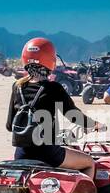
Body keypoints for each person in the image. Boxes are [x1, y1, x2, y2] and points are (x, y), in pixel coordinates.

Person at [7, 37, 100, 173]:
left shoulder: (17, 86)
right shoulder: (54, 88)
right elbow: (73, 115)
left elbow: (10, 126)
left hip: (21, 154)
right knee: (89, 163)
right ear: (50, 60)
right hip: (48, 155)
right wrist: (95, 125)